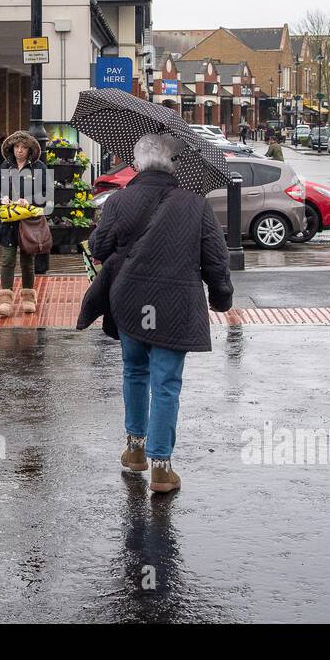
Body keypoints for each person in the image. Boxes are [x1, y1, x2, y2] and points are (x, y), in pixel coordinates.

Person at [83, 134, 233, 493]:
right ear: (173, 162)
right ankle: (162, 468)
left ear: (138, 162)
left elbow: (99, 246)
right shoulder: (194, 203)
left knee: (135, 371)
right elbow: (216, 256)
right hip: (175, 302)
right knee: (166, 383)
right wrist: (222, 296)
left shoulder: (119, 200)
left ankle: (135, 450)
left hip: (130, 299)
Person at [0, 129, 48, 318]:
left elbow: (45, 194)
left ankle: (28, 298)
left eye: (23, 147)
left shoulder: (39, 167)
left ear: (30, 150)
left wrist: (30, 200)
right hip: (8, 222)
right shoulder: (5, 167)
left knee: (27, 262)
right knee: (7, 260)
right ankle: (5, 301)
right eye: (17, 147)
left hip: (28, 222)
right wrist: (2, 198)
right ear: (11, 148)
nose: (19, 151)